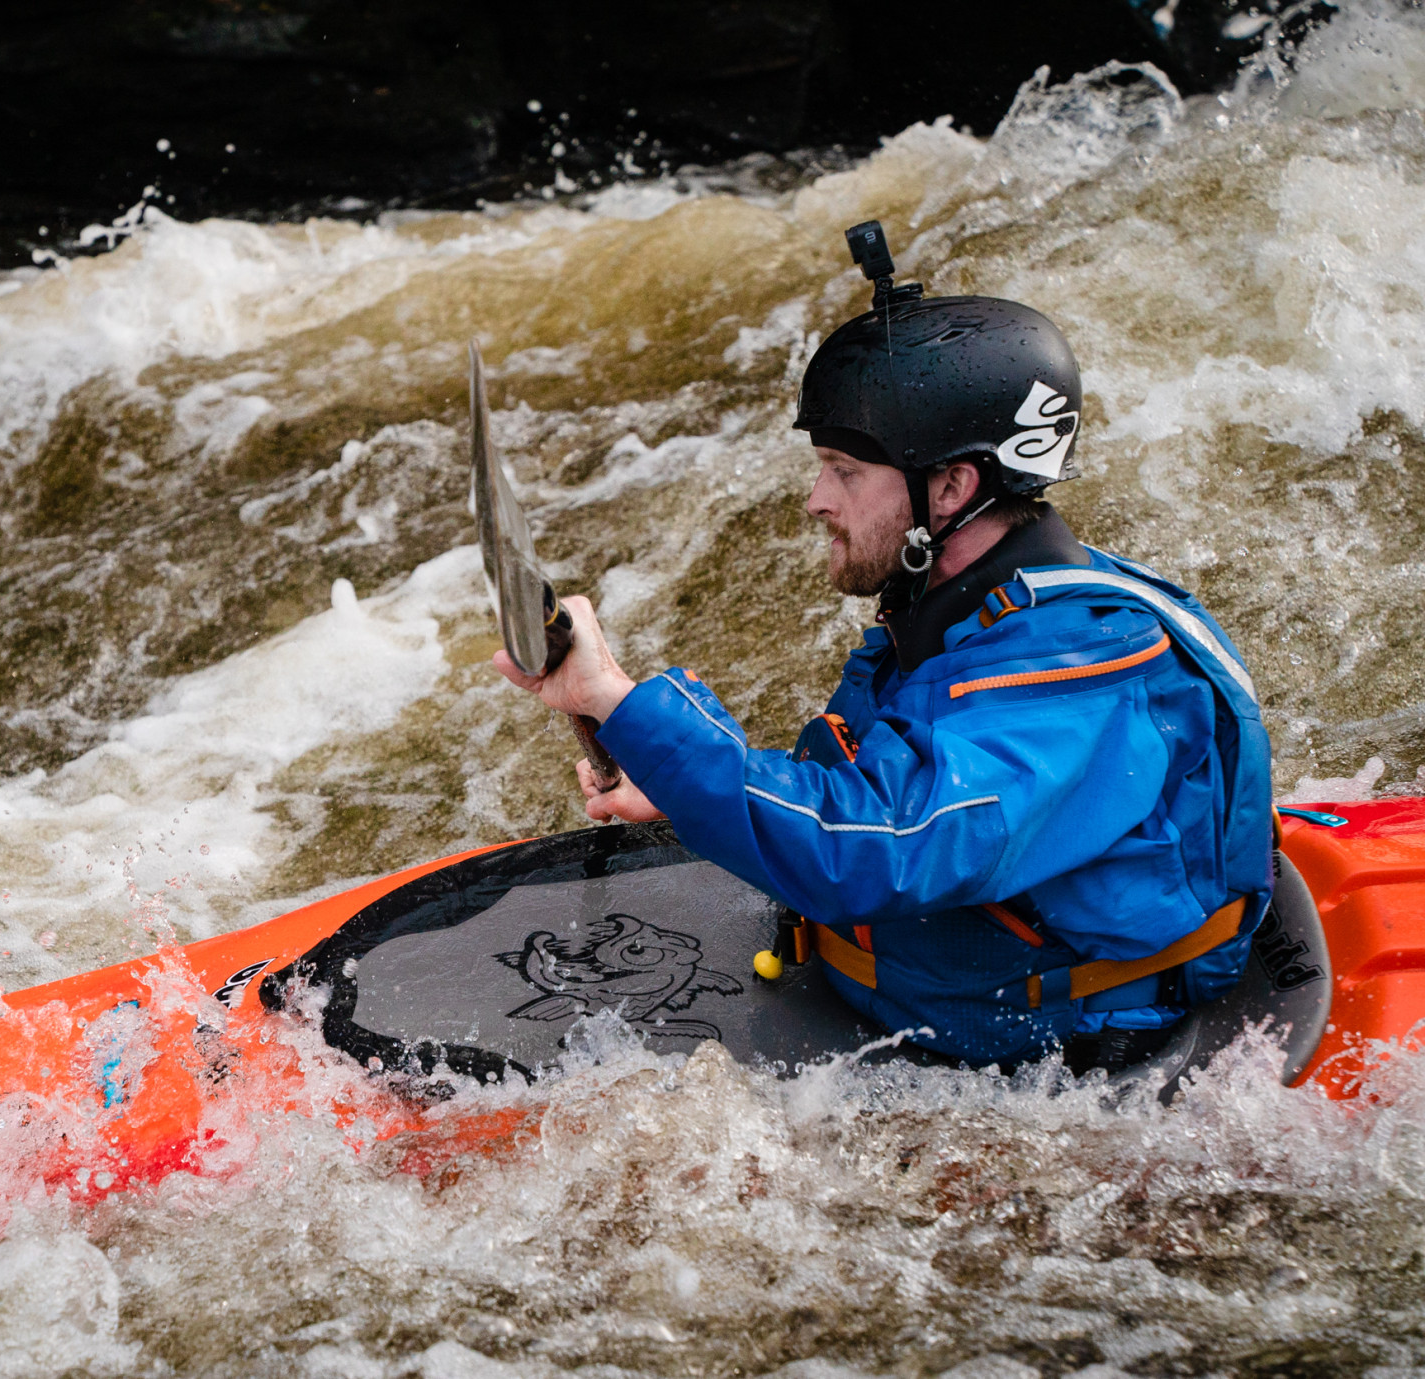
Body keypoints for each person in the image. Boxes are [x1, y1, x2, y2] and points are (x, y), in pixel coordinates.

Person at [494, 223, 1274, 1071]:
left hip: (1052, 1052)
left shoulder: (1082, 671)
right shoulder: (958, 604)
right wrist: (678, 779)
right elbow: (876, 784)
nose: (815, 499)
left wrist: (617, 699)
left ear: (952, 486)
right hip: (926, 981)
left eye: (845, 470)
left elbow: (878, 844)